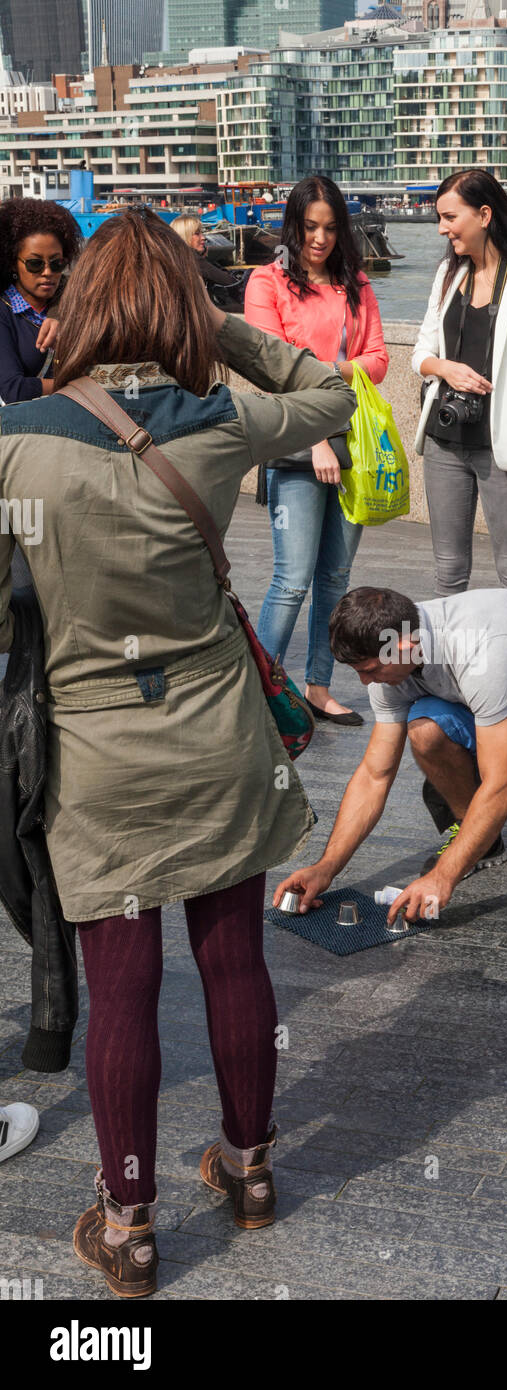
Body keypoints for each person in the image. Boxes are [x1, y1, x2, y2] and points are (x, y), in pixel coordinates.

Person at [0, 208, 356, 1298]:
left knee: (125, 991)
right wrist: (219, 323)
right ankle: (250, 1170)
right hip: (216, 735)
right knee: (233, 958)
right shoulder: (219, 421)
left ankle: (131, 1222)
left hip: (97, 751)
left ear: (77, 305)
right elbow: (332, 392)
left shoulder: (16, 442)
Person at [273, 586, 507, 923]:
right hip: (482, 703)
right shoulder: (393, 647)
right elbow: (374, 775)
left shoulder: (481, 650)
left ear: (405, 648)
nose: (366, 683)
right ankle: (481, 840)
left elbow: (503, 785)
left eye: (371, 670)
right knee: (424, 732)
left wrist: (443, 876)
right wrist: (325, 867)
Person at [245, 174, 388, 727]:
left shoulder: (355, 283)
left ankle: (319, 686)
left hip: (353, 441)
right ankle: (260, 688)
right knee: (292, 579)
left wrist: (329, 370)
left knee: (335, 579)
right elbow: (270, 369)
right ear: (294, 225)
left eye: (330, 228)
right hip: (297, 442)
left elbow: (377, 359)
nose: (320, 239)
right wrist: (316, 436)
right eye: (309, 227)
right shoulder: (267, 282)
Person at [412, 168, 507, 597]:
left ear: (483, 214)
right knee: (448, 572)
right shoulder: (449, 271)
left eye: (449, 217)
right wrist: (446, 369)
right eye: (438, 219)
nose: (442, 229)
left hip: (506, 450)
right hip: (443, 442)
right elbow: (419, 353)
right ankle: (445, 663)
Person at [0, 197, 80, 403]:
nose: (47, 272)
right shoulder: (4, 312)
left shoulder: (76, 299)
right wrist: (80, 387)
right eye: (35, 263)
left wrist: (60, 313)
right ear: (12, 263)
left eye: (57, 263)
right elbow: (13, 389)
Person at [171, 213, 245, 311]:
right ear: (185, 236)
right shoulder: (191, 258)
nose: (203, 238)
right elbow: (229, 282)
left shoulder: (175, 256)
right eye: (197, 234)